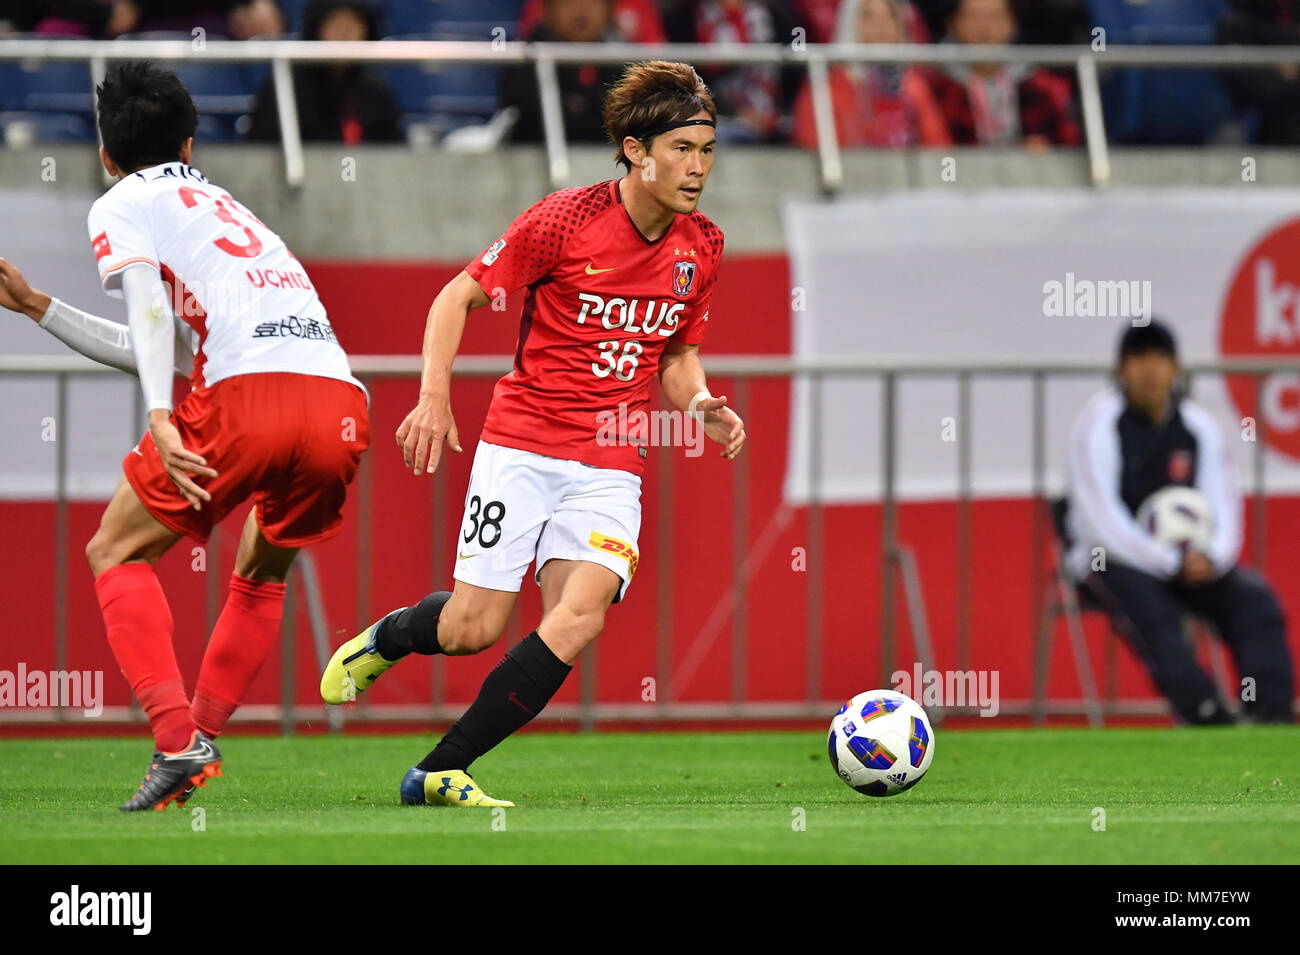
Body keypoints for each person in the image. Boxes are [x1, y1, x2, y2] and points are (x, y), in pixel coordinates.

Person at [319, 60, 746, 807]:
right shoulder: (565, 220)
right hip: (521, 444)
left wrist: (700, 399)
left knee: (577, 615)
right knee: (469, 627)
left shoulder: (702, 247)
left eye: (707, 151)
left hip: (612, 456)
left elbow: (676, 353)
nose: (698, 167)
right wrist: (432, 397)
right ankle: (388, 638)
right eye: (683, 149)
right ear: (636, 150)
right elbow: (456, 296)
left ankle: (442, 769)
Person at [0, 62, 371, 809]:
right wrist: (42, 307)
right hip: (339, 402)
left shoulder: (124, 200)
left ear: (106, 155)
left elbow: (147, 306)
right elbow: (170, 344)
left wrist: (159, 415)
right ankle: (193, 743)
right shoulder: (229, 205)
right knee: (262, 569)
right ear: (191, 144)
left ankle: (176, 740)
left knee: (115, 550)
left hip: (247, 398)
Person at [1065, 321, 1294, 725]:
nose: (1149, 370)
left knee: (1254, 600)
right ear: (1122, 369)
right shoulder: (1099, 424)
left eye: (1159, 358)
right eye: (1138, 359)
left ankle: (1271, 712)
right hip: (1112, 560)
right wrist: (1168, 563)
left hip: (1192, 562)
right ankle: (1204, 713)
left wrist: (1212, 558)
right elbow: (1100, 521)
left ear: (1176, 368)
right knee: (1155, 610)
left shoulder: (1198, 427)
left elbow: (1224, 507)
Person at [792, 0, 950, 150]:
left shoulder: (915, 88)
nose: (881, 26)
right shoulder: (826, 90)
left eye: (890, 16)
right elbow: (813, 151)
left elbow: (937, 149)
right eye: (869, 16)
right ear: (849, 23)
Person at [922, 0, 1080, 149]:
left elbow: (1069, 141)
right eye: (973, 17)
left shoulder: (1041, 87)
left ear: (1013, 24)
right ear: (952, 23)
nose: (983, 28)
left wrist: (1046, 147)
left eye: (994, 17)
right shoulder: (932, 86)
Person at [247, 0, 401, 144]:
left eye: (354, 21)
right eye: (335, 21)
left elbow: (394, 157)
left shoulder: (377, 92)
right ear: (317, 26)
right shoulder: (285, 88)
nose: (345, 32)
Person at [499, 0, 625, 143]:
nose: (581, 11)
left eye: (593, 3)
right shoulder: (523, 62)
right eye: (568, 2)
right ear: (547, 10)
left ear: (609, 11)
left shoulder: (626, 64)